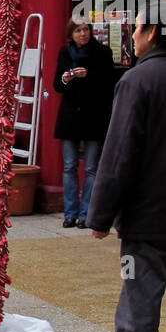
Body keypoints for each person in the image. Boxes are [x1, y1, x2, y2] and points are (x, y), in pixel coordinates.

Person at [88, 12, 166, 332]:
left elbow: (118, 156)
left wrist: (99, 214)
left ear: (151, 32)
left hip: (149, 223)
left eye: (135, 29)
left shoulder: (139, 81)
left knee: (138, 310)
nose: (132, 37)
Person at [53, 18, 115, 228]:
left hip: (94, 115)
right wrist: (67, 78)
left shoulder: (102, 53)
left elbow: (108, 85)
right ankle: (70, 213)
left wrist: (87, 77)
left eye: (86, 29)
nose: (83, 34)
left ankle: (86, 212)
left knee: (91, 167)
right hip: (70, 116)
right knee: (69, 165)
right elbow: (57, 85)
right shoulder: (65, 52)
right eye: (78, 30)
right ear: (71, 34)